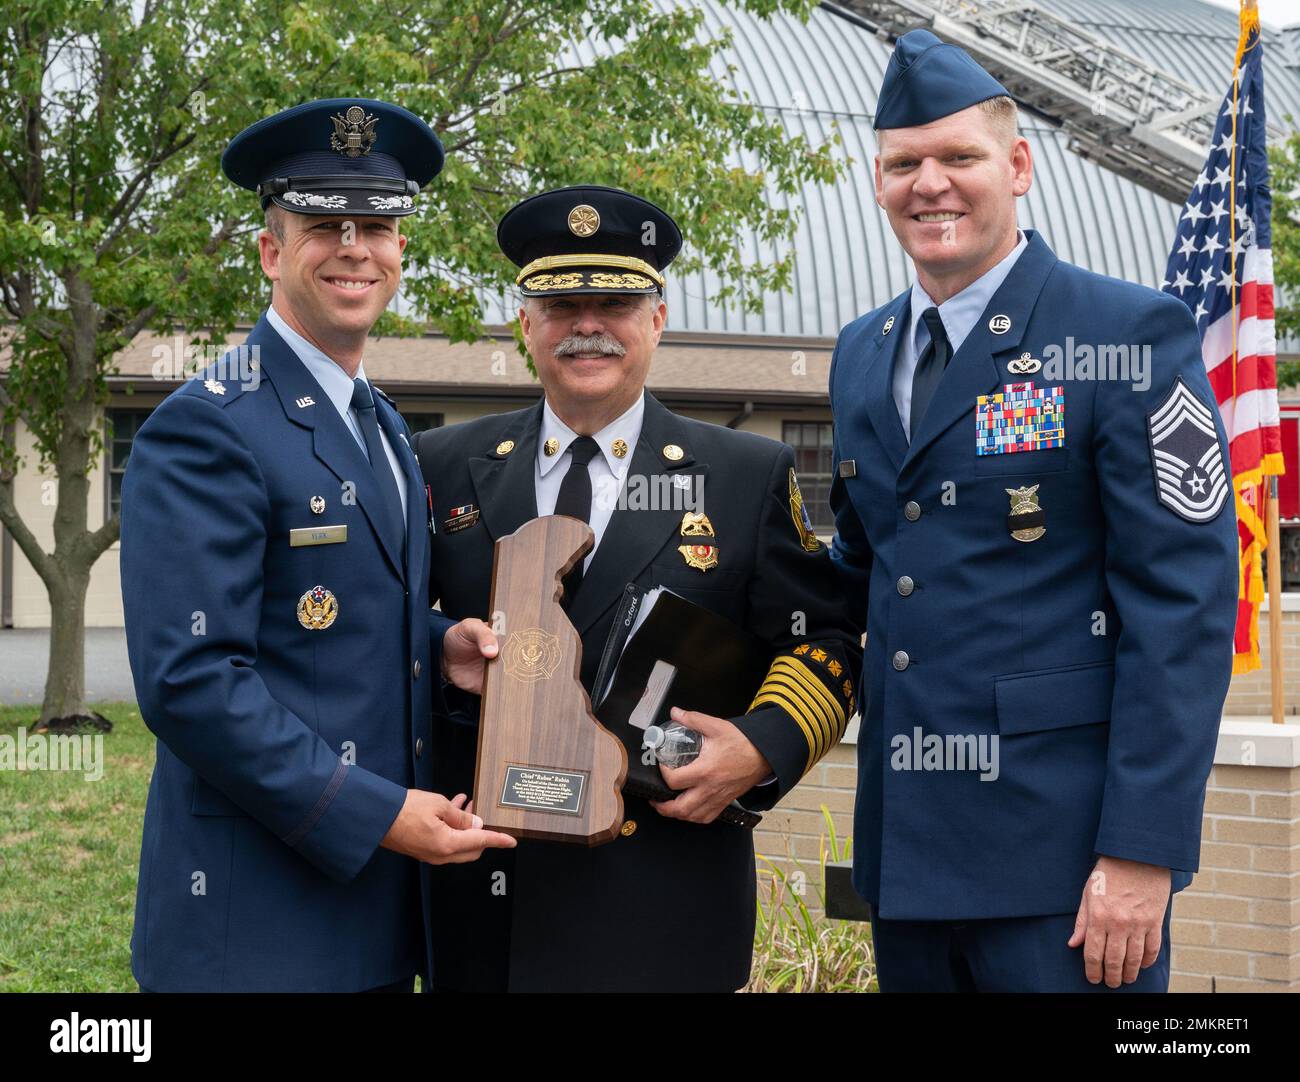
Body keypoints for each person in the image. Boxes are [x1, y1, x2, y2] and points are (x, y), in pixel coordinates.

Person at [827, 30, 1239, 992]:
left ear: (1017, 166)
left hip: (1066, 873)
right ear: (878, 182)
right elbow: (864, 571)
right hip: (906, 857)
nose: (930, 184)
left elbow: (1182, 612)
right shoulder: (860, 352)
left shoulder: (1128, 333)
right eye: (903, 164)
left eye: (959, 157)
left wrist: (1143, 855)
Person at [413, 185, 863, 992]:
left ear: (657, 319)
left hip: (663, 900)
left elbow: (822, 639)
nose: (588, 324)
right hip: (486, 903)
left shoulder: (742, 474)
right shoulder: (441, 464)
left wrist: (761, 745)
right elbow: (398, 624)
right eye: (560, 304)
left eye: (615, 302)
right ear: (526, 325)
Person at [120, 98, 513, 993]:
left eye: (376, 225)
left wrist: (438, 644)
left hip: (371, 922)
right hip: (255, 933)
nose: (353, 247)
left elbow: (335, 616)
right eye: (322, 225)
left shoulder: (380, 425)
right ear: (270, 250)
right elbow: (192, 682)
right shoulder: (208, 428)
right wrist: (380, 816)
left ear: (400, 252)